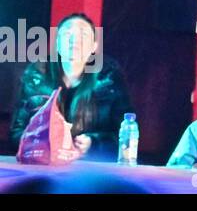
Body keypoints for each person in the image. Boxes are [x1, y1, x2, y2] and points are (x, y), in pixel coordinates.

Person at [9, 13, 132, 162]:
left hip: (91, 170)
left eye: (83, 35)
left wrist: (93, 143)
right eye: (68, 34)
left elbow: (127, 134)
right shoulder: (37, 76)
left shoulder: (109, 78)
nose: (75, 40)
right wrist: (43, 141)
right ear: (58, 43)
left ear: (94, 46)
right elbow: (16, 133)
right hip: (42, 165)